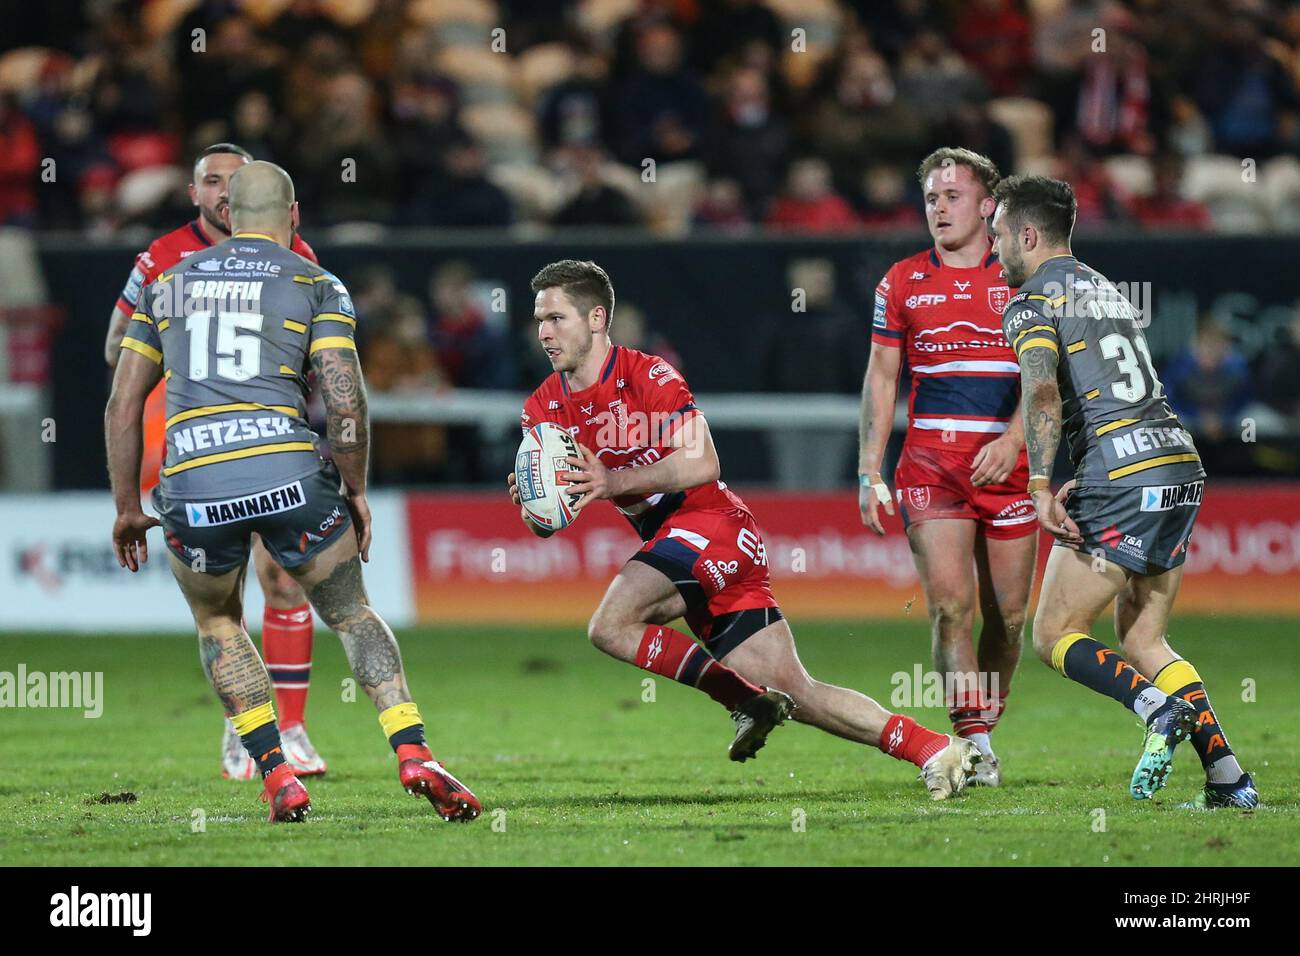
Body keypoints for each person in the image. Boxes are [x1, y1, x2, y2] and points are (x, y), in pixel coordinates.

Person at [506, 260, 981, 801]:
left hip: (710, 522)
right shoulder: (543, 408)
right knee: (794, 691)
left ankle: (740, 699)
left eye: (556, 317)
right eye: (538, 319)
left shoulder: (648, 375)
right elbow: (546, 522)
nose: (543, 331)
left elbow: (703, 460)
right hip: (678, 543)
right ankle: (934, 749)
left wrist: (615, 480)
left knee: (610, 626)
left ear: (596, 319)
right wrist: (536, 505)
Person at [105, 161, 480, 822]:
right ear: (294, 214)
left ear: (227, 213)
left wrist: (127, 508)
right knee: (351, 612)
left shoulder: (164, 285)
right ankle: (412, 749)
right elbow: (344, 396)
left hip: (193, 482)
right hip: (287, 472)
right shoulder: (314, 281)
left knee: (219, 620)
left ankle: (275, 772)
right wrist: (357, 488)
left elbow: (122, 406)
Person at [992, 174, 1256, 808]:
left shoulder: (1031, 300)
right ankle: (1229, 780)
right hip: (1176, 461)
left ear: (1027, 234)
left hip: (1119, 470)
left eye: (998, 234)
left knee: (1055, 633)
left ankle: (1154, 708)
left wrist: (1038, 480)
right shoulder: (1103, 289)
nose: (993, 247)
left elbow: (1044, 390)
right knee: (1143, 638)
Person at [104, 142, 328, 782]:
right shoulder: (162, 259)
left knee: (285, 581)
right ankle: (243, 729)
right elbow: (115, 347)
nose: (225, 194)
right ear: (194, 194)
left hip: (274, 439)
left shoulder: (296, 253)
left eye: (236, 182)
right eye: (211, 182)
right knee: (222, 599)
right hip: (196, 446)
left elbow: (321, 349)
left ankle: (291, 727)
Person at [857, 148, 1036, 785]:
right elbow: (882, 378)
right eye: (931, 197)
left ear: (989, 206)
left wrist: (1015, 441)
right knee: (950, 607)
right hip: (931, 464)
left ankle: (989, 711)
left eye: (953, 196)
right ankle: (976, 739)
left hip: (1007, 466)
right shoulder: (901, 280)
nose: (939, 207)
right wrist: (868, 470)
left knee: (1010, 618)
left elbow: (1050, 378)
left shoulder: (1023, 276)